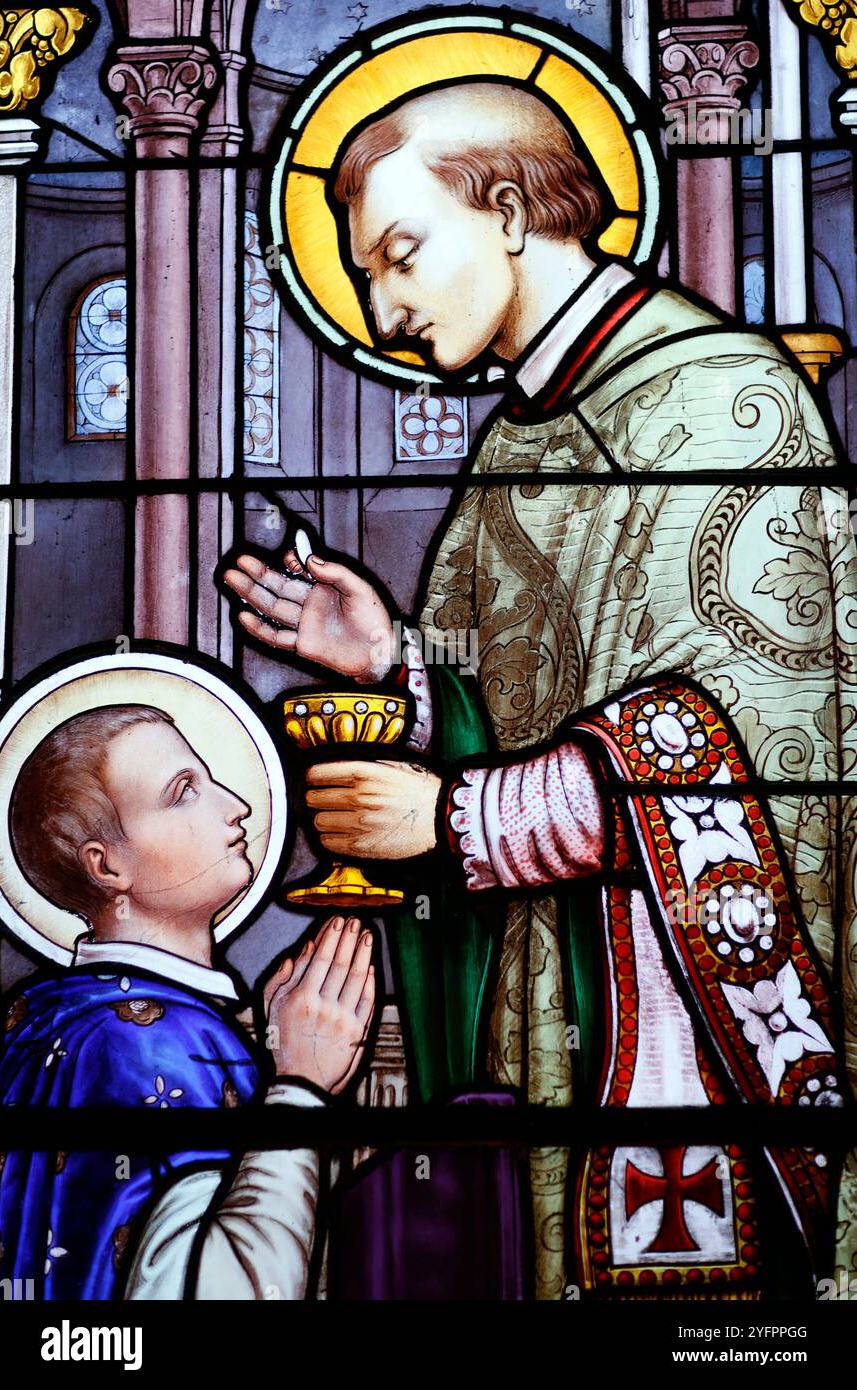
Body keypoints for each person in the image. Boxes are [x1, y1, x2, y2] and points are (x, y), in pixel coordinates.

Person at [223, 81, 857, 1299]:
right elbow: (537, 696)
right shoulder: (519, 439)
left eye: (398, 256)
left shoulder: (723, 399)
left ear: (508, 210)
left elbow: (755, 755)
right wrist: (400, 663)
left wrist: (455, 823)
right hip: (556, 1030)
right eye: (362, 276)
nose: (382, 306)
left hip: (688, 1060)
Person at [0, 704, 374, 1299]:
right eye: (184, 792)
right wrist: (299, 1085)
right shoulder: (140, 1046)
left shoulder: (49, 1014)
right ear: (107, 865)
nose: (234, 805)